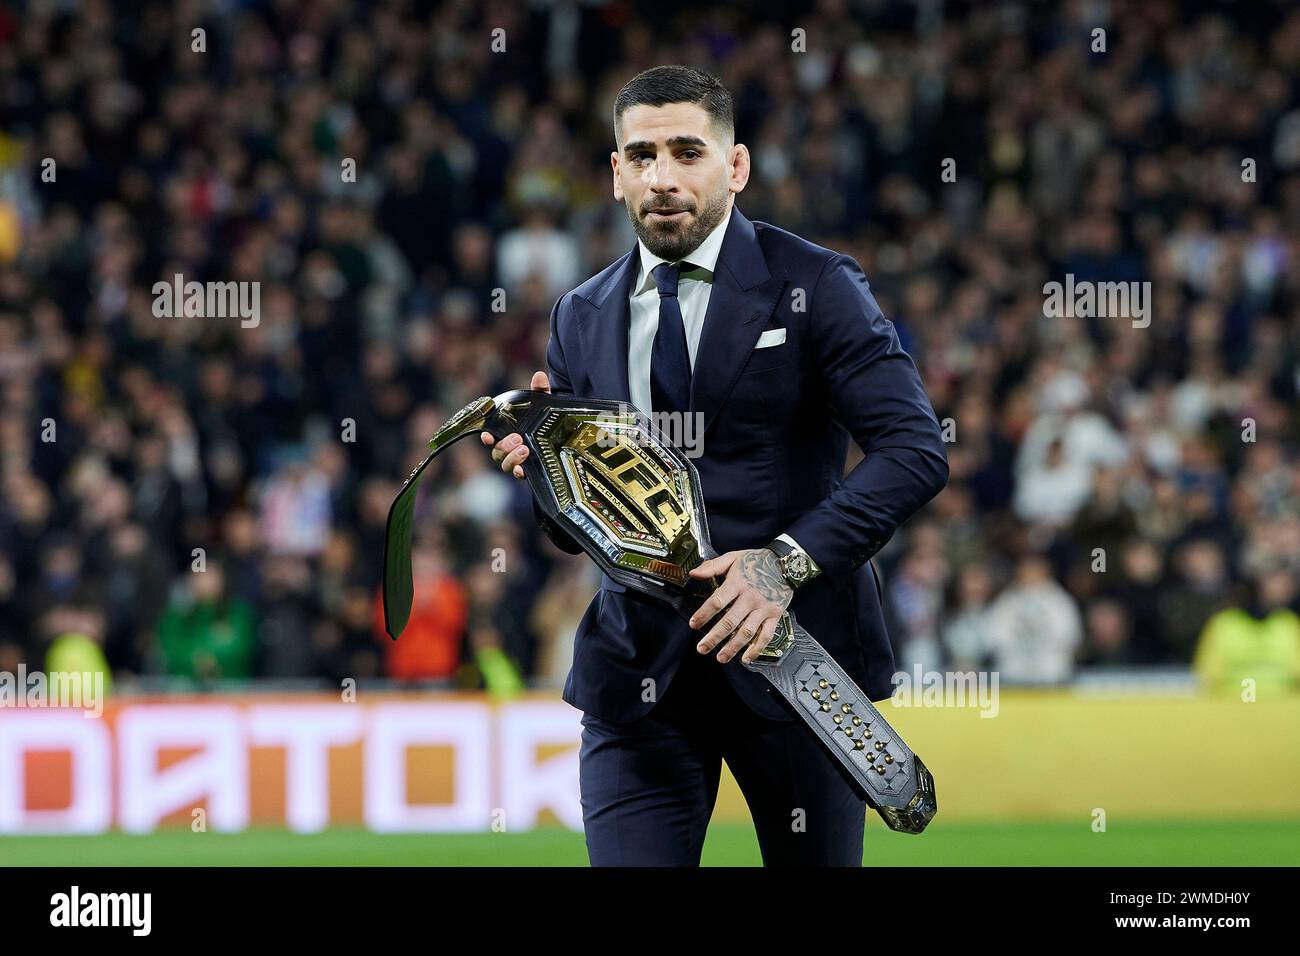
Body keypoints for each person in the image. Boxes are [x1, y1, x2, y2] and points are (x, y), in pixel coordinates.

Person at [482, 66, 948, 866]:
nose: (663, 177)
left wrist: (781, 564)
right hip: (640, 683)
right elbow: (581, 535)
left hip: (796, 666)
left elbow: (914, 449)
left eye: (687, 152)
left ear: (734, 167)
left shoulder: (815, 285)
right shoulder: (580, 314)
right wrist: (551, 472)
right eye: (642, 155)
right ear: (616, 173)